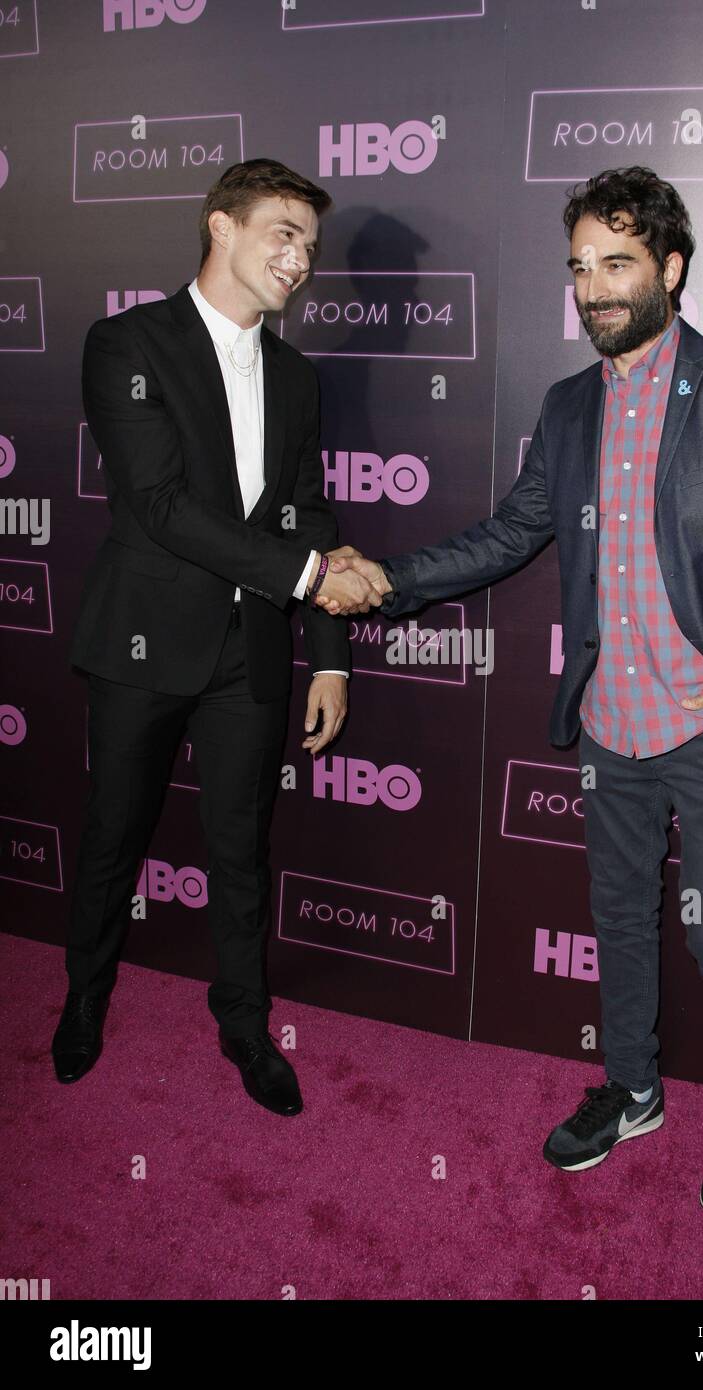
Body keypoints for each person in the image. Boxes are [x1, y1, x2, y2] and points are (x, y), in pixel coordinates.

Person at [323, 165, 703, 1216]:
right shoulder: (569, 405)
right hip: (609, 732)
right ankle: (631, 1088)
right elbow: (510, 532)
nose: (594, 287)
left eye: (617, 262)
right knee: (617, 920)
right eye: (580, 266)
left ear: (669, 266)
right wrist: (386, 582)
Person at [56, 159, 383, 1116]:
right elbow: (159, 506)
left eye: (311, 248)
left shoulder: (296, 375)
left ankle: (245, 1026)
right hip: (144, 641)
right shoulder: (126, 342)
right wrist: (314, 577)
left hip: (252, 649)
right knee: (114, 834)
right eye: (284, 234)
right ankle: (84, 1002)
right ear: (221, 227)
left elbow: (310, 514)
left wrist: (328, 651)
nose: (300, 260)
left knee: (241, 848)